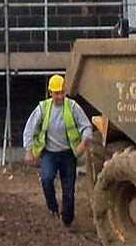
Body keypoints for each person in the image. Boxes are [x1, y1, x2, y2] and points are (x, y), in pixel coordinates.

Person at [23, 74, 94, 228]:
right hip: (50, 153)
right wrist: (29, 150)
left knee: (68, 189)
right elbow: (29, 129)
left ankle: (67, 220)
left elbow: (86, 126)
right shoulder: (43, 108)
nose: (60, 96)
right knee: (47, 179)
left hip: (68, 154)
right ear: (50, 93)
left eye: (62, 92)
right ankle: (53, 209)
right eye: (56, 93)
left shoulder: (72, 107)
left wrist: (85, 140)